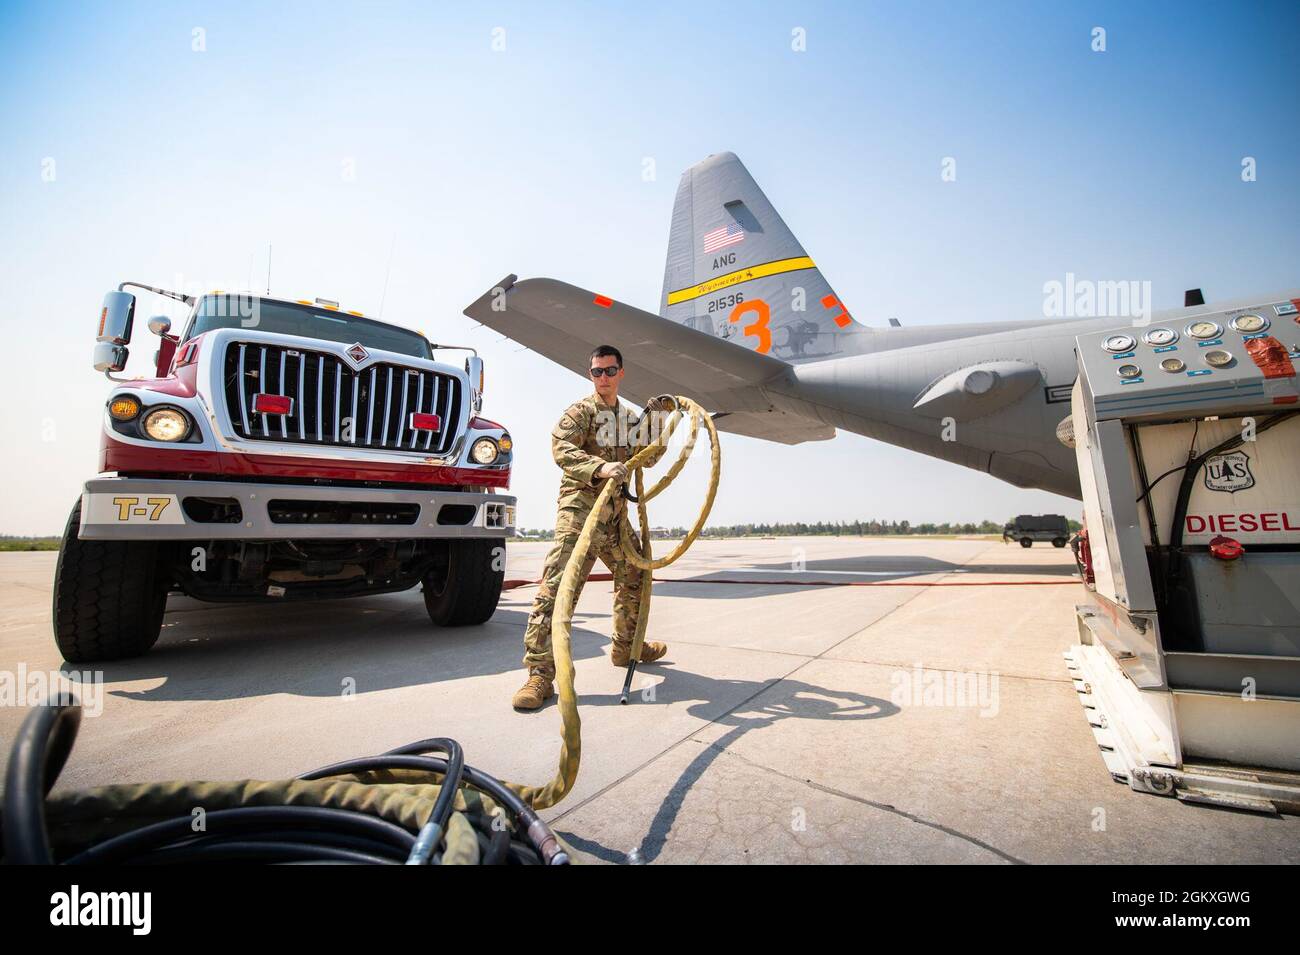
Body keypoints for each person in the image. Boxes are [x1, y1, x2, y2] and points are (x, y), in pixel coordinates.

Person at [512, 345, 672, 710]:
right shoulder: (581, 412)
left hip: (614, 516)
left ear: (621, 374)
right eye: (596, 372)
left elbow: (649, 456)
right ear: (590, 375)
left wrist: (659, 421)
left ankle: (627, 647)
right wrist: (599, 468)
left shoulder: (628, 417)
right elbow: (561, 448)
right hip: (580, 512)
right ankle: (539, 674)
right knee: (558, 587)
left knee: (635, 573)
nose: (603, 378)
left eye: (609, 371)